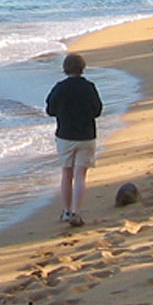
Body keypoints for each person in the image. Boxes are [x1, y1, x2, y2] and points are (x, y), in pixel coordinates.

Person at [45, 52, 102, 227]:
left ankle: (67, 210)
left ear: (65, 69)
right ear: (82, 68)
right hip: (86, 135)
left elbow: (50, 110)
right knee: (80, 176)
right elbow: (97, 110)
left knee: (66, 174)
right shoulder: (89, 87)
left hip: (65, 135)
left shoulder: (60, 88)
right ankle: (76, 212)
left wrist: (63, 112)